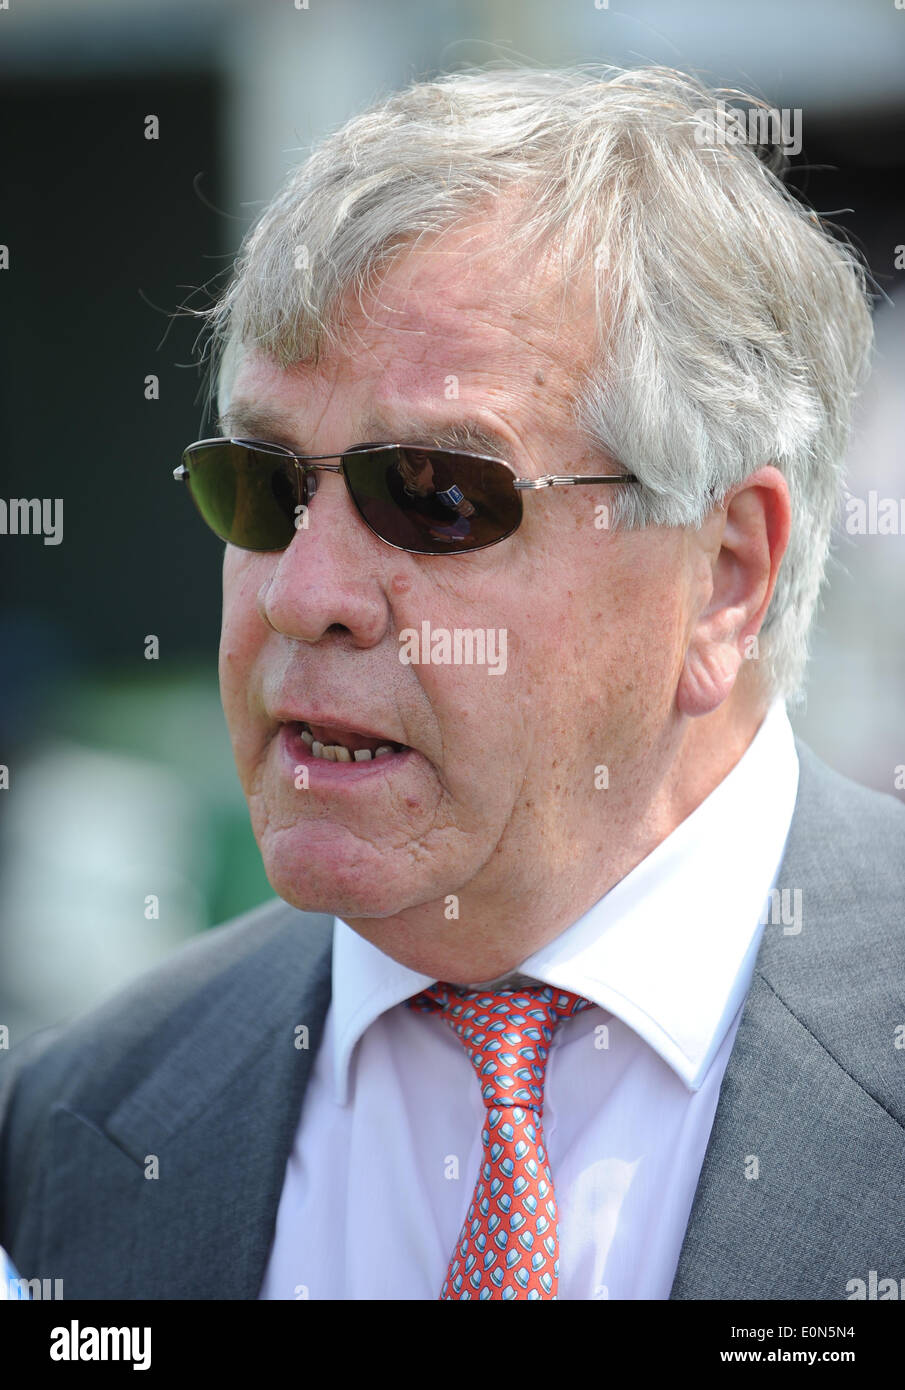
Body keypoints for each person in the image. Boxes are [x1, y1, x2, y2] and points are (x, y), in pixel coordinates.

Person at [1, 63, 903, 1301]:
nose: (300, 590)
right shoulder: (76, 1125)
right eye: (260, 486)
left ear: (723, 576)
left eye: (433, 494)